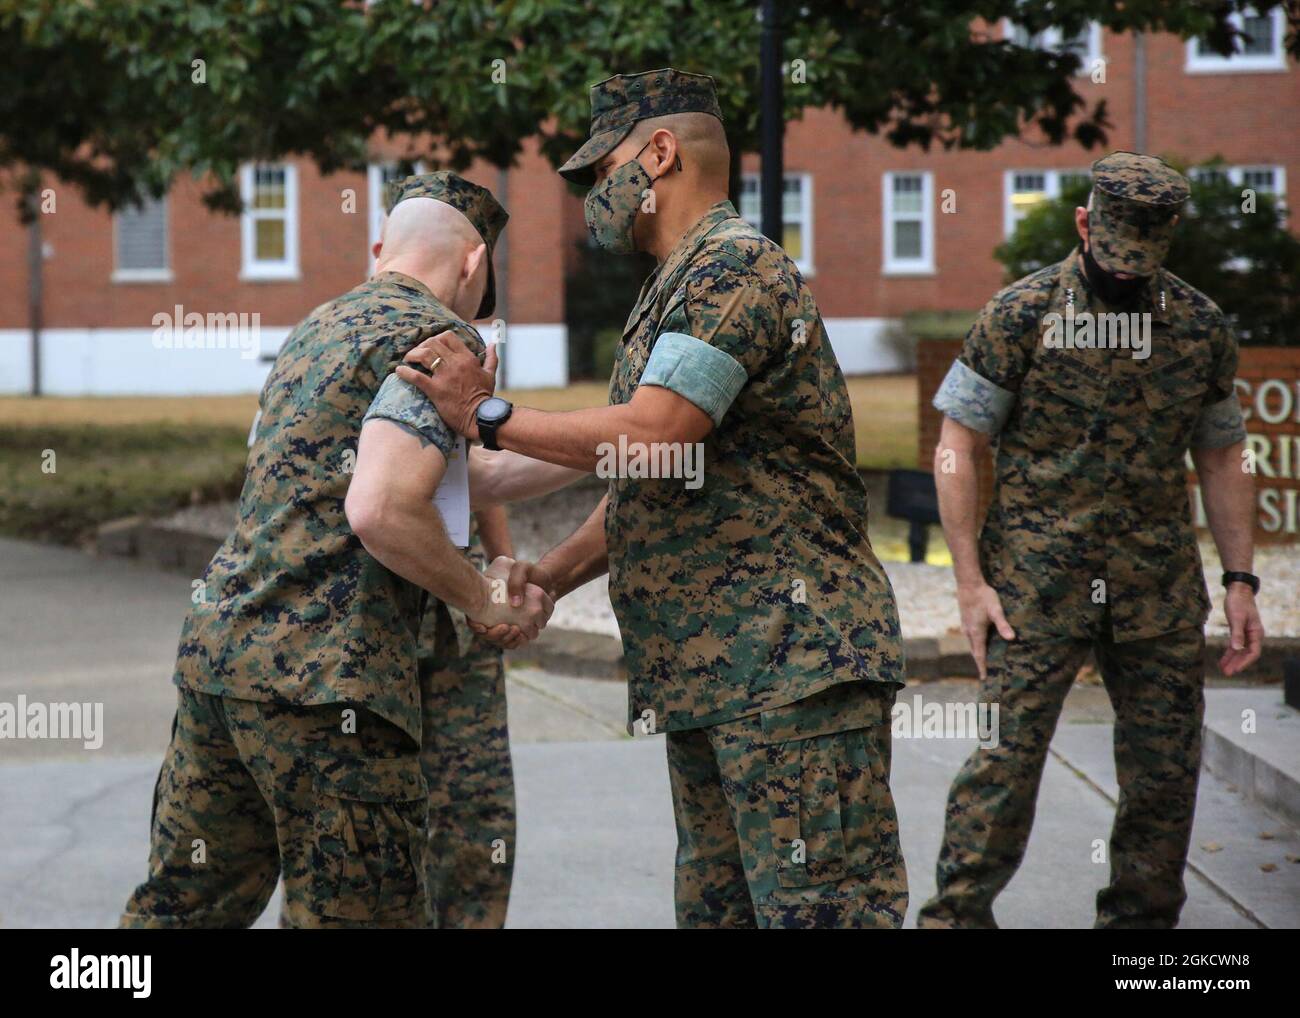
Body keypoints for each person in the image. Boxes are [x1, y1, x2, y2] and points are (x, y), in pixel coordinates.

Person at [397, 69, 908, 929]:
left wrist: (485, 414)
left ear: (660, 154)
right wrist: (549, 579)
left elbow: (655, 433)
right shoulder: (673, 289)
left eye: (603, 174)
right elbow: (659, 479)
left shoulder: (732, 268)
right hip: (716, 680)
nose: (594, 198)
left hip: (791, 675)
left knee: (823, 915)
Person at [120, 172, 551, 929]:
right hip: (330, 688)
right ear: (475, 261)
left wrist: (619, 448)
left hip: (221, 670)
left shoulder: (315, 330)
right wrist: (480, 594)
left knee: (183, 908)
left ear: (381, 247)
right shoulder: (440, 341)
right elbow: (381, 506)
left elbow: (451, 473)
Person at [917, 151, 1264, 929]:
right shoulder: (1020, 313)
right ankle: (955, 921)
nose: (1125, 277)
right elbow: (957, 446)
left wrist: (1242, 581)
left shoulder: (1200, 328)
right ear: (1084, 224)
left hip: (1157, 589)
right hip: (1034, 585)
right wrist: (969, 583)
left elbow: (1222, 454)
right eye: (1114, 260)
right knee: (1003, 766)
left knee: (1165, 775)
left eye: (1142, 264)